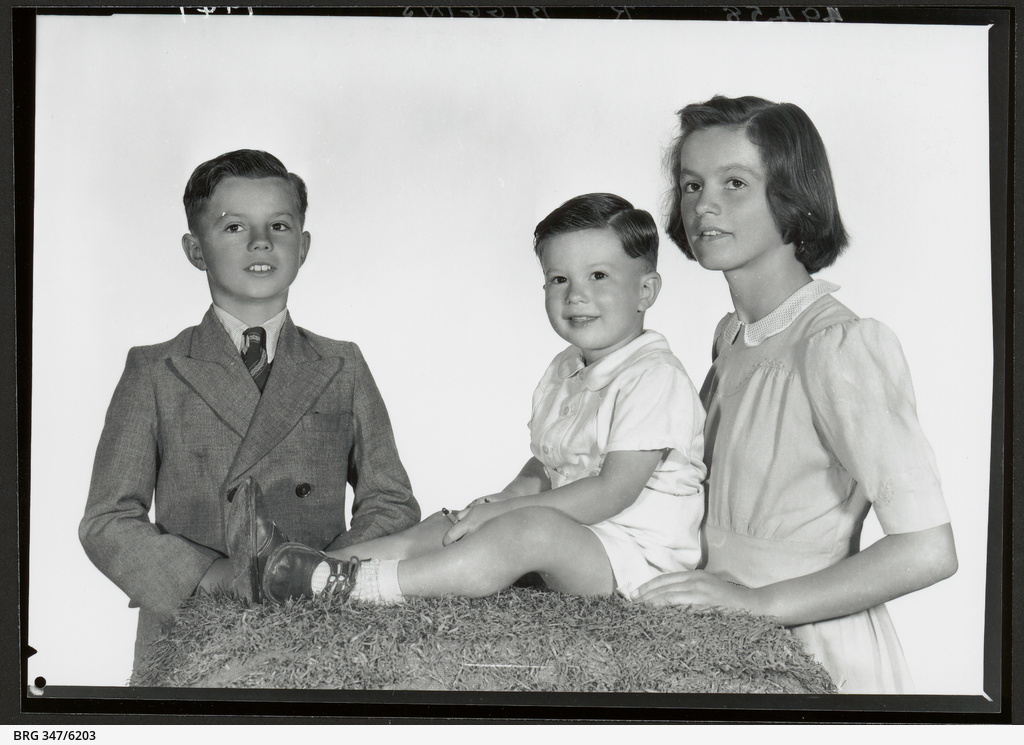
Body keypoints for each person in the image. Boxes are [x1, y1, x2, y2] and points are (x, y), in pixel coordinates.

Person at [636, 95, 958, 694]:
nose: (704, 204)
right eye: (691, 185)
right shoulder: (732, 338)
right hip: (720, 642)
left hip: (814, 653)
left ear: (792, 196)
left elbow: (928, 550)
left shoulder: (839, 345)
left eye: (735, 183)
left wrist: (758, 605)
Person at [259, 193, 707, 605]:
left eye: (599, 276)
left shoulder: (655, 377)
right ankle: (312, 567)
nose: (576, 295)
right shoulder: (566, 368)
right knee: (453, 524)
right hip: (578, 537)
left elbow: (612, 492)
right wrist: (500, 500)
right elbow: (547, 464)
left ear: (645, 291)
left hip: (633, 559)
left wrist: (510, 511)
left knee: (527, 530)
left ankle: (367, 586)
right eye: (559, 279)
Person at [79, 149, 421, 672]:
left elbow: (390, 500)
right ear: (195, 250)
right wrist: (211, 577)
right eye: (234, 226)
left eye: (279, 225)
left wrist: (320, 574)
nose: (261, 241)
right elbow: (108, 520)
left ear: (303, 246)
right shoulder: (154, 370)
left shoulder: (342, 364)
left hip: (317, 626)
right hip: (192, 630)